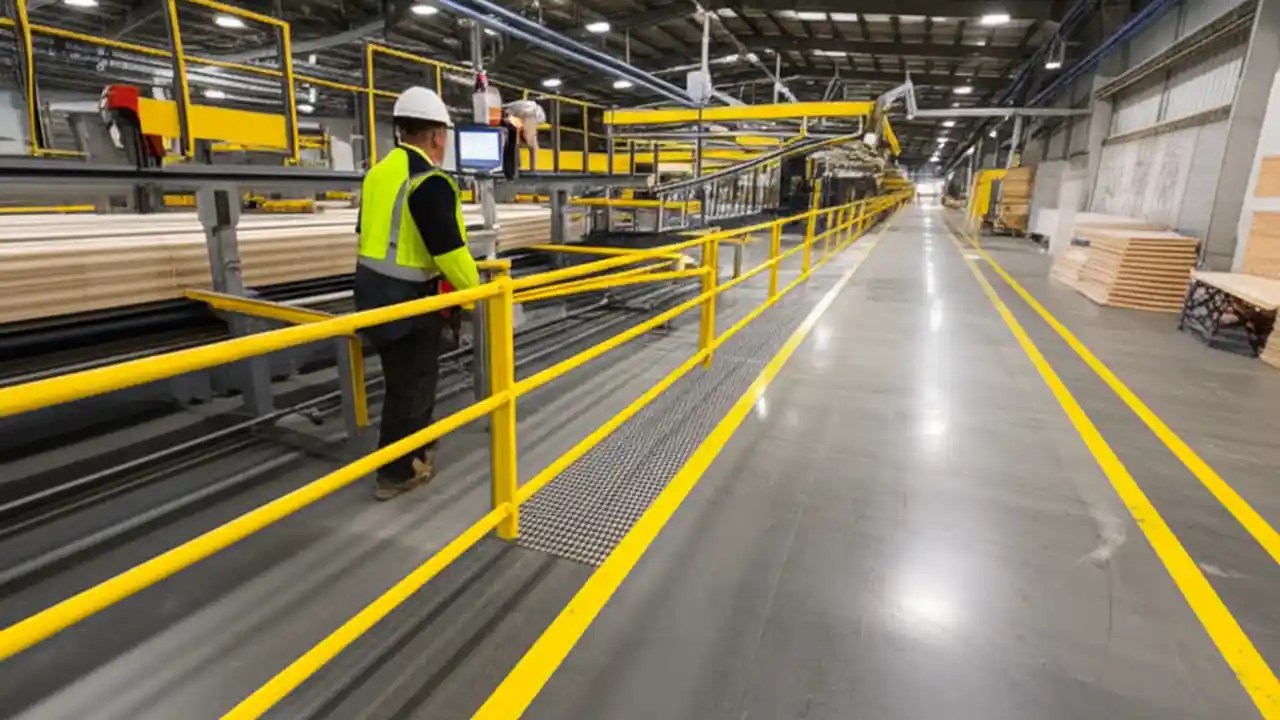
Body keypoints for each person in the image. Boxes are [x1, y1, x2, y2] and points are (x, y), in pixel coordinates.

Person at [354, 86, 479, 501]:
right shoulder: (430, 181)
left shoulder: (376, 174)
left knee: (399, 381)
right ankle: (397, 471)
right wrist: (481, 294)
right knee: (413, 384)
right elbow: (449, 252)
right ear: (436, 137)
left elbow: (372, 233)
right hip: (407, 300)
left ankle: (417, 440)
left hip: (370, 293)